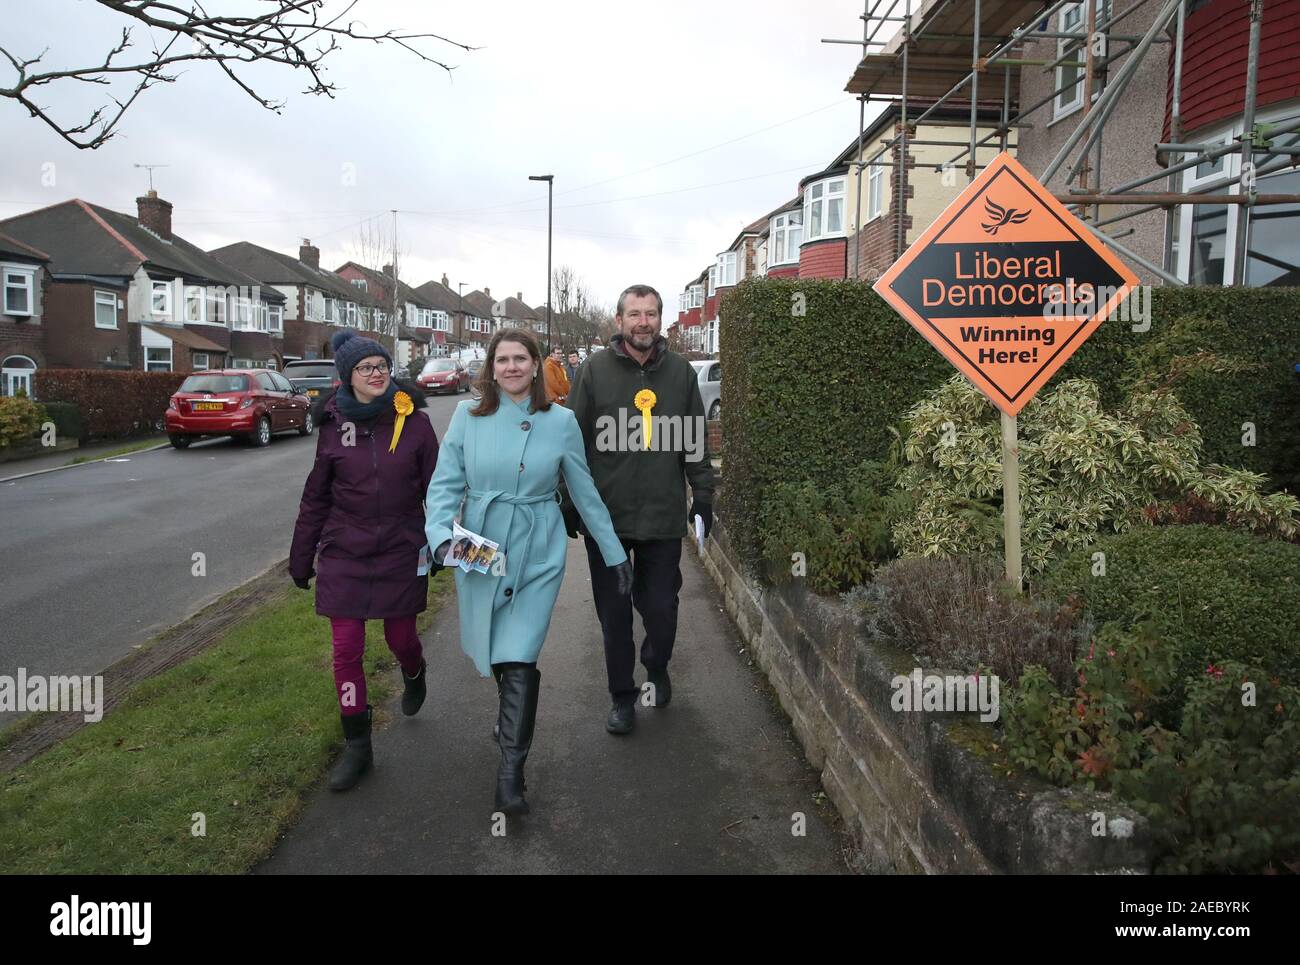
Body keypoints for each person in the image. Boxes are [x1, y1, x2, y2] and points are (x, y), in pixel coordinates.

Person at [425, 328, 632, 816]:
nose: (512, 367)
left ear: (537, 365)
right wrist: (439, 539)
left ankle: (510, 774)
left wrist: (614, 552)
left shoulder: (560, 422)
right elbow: (443, 485)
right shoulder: (466, 417)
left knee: (520, 651)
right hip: (481, 544)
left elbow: (583, 491)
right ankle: (510, 716)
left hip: (539, 546)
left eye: (521, 358)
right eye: (503, 359)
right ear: (491, 367)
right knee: (495, 644)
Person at [290, 329, 441, 791]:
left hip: (401, 545)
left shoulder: (413, 421)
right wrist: (301, 556)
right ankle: (358, 744)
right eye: (366, 368)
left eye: (382, 366)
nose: (377, 374)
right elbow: (317, 496)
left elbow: (437, 488)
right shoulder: (334, 426)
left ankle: (414, 672)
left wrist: (441, 541)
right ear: (346, 377)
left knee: (401, 637)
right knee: (346, 649)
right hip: (345, 550)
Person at [563, 284, 715, 735]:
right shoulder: (593, 370)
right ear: (619, 321)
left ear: (660, 320)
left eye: (650, 314)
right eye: (634, 313)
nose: (642, 322)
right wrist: (570, 501)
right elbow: (572, 442)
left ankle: (657, 663)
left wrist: (702, 494)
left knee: (661, 609)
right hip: (605, 520)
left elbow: (695, 440)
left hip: (663, 516)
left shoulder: (681, 374)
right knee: (614, 616)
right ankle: (621, 697)